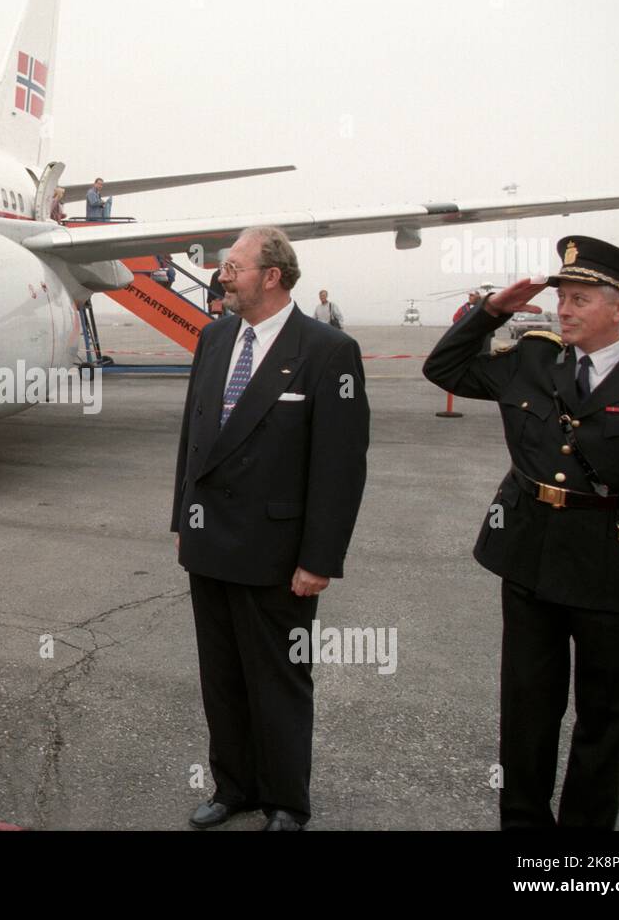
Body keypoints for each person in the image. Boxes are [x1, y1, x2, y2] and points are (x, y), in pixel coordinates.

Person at [422, 236, 619, 829]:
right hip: (530, 559)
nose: (563, 310)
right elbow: (442, 368)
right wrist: (490, 311)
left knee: (602, 715)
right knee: (527, 707)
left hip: (612, 566)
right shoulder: (532, 358)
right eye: (561, 298)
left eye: (578, 299)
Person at [172, 226, 371, 831]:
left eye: (233, 266)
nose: (221, 275)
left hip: (277, 555)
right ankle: (233, 787)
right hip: (210, 546)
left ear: (272, 277)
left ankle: (286, 801)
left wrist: (319, 559)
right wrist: (184, 518)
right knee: (222, 678)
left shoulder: (328, 351)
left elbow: (340, 467)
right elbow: (194, 436)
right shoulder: (212, 338)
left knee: (279, 681)